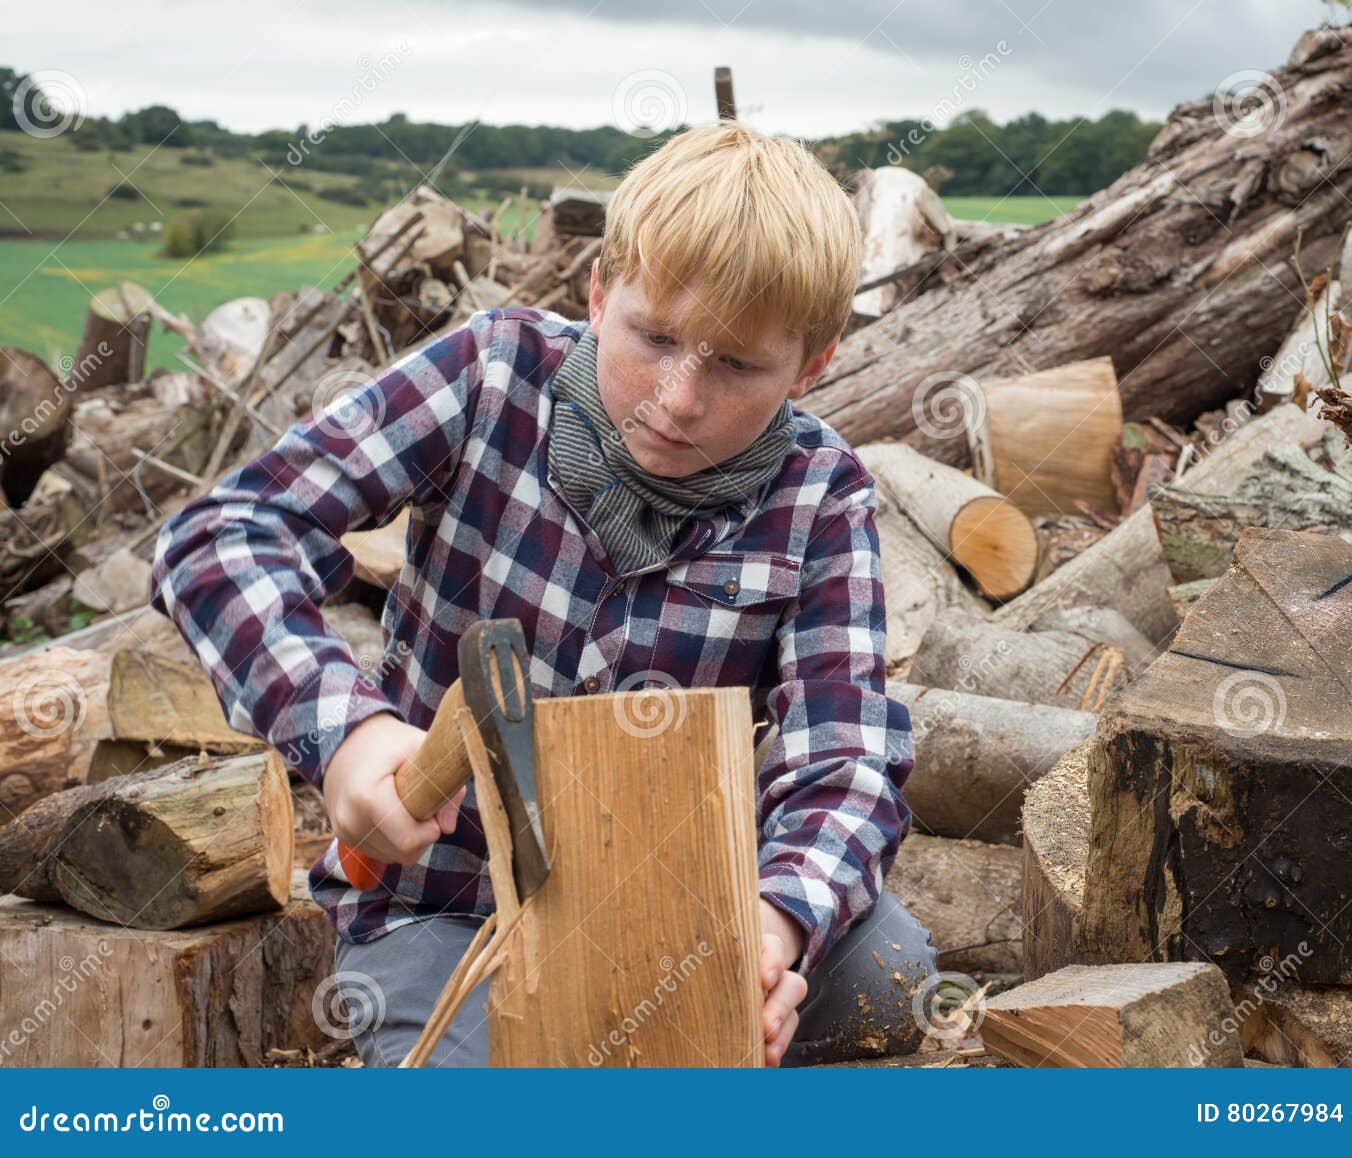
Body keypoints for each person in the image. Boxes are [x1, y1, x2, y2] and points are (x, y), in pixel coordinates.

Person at [149, 121, 937, 1067]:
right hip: (445, 908)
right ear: (600, 295)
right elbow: (221, 535)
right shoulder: (491, 377)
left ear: (813, 365)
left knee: (895, 968)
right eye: (654, 338)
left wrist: (769, 934)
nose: (678, 399)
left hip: (682, 915)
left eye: (735, 365)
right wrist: (344, 734)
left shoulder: (819, 493)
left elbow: (842, 754)